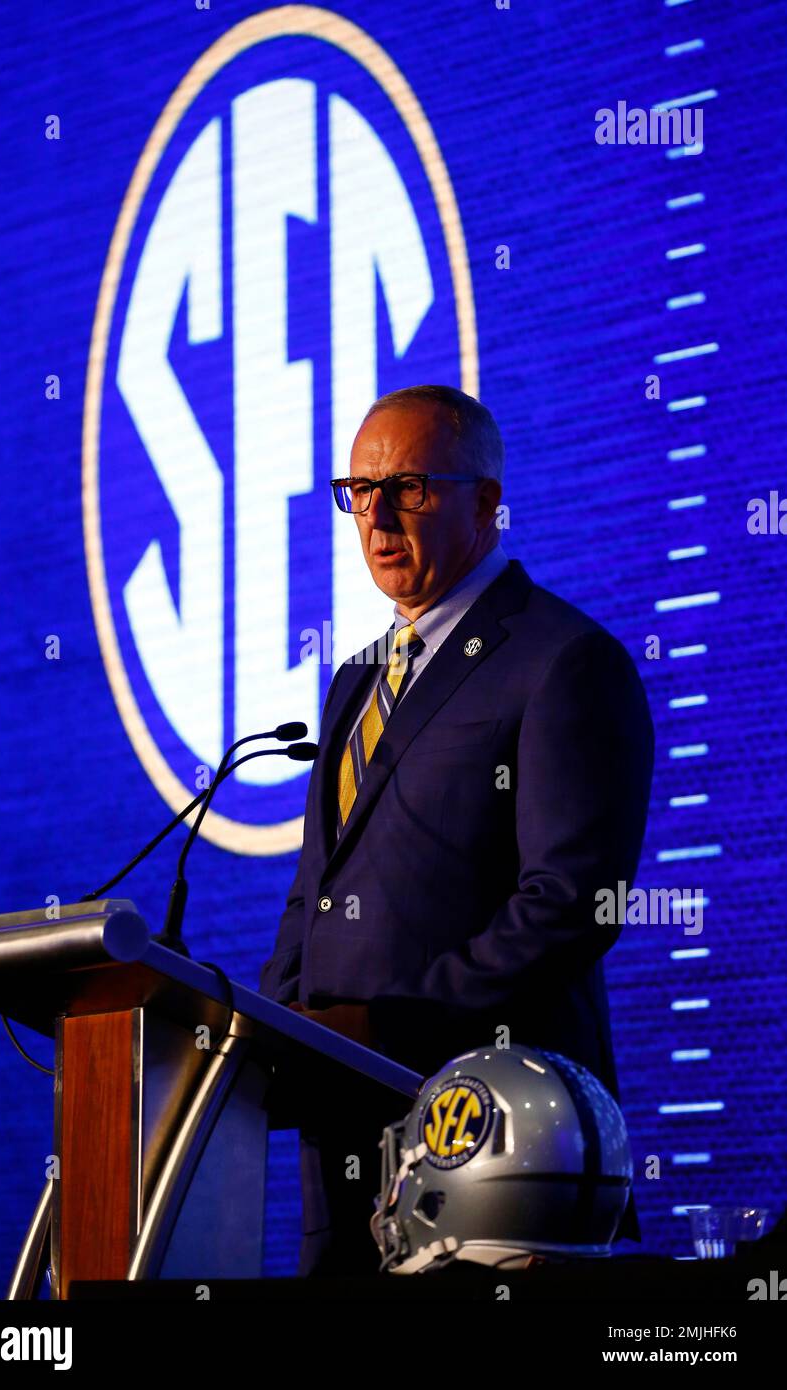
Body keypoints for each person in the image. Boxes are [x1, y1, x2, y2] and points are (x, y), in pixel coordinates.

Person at [259, 384, 654, 1276]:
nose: (377, 516)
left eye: (411, 487)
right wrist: (269, 1033)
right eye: (359, 491)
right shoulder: (357, 680)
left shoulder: (563, 660)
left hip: (497, 1155)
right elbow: (317, 894)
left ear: (485, 502)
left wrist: (388, 1026)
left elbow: (570, 906)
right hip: (346, 1150)